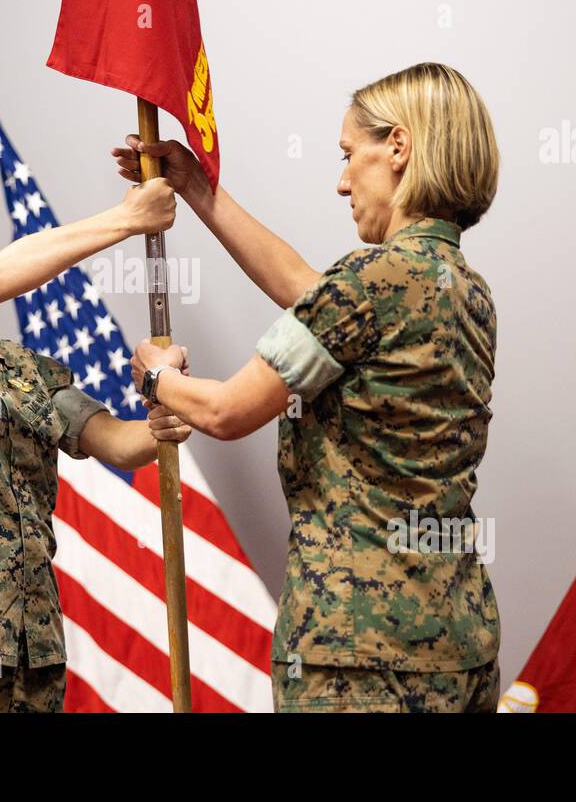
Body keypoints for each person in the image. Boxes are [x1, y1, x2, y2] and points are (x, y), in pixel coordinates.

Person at [118, 62, 502, 712]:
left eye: (349, 156)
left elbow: (227, 411)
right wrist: (196, 187)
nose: (342, 181)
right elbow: (308, 291)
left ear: (399, 148)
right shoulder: (463, 289)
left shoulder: (368, 282)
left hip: (359, 657)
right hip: (459, 642)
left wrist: (157, 376)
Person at [0, 164, 190, 712]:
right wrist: (126, 220)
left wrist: (170, 397)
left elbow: (120, 443)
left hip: (29, 651)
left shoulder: (18, 368)